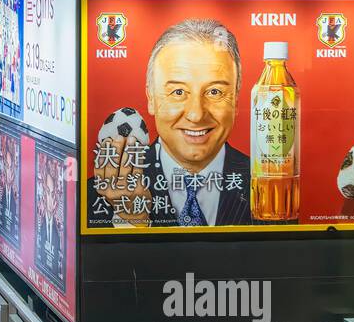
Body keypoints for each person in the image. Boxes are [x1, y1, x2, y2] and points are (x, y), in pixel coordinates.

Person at [90, 18, 255, 227]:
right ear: (151, 98)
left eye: (215, 92)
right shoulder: (102, 193)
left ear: (236, 98)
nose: (196, 115)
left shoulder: (268, 186)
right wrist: (132, 220)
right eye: (178, 92)